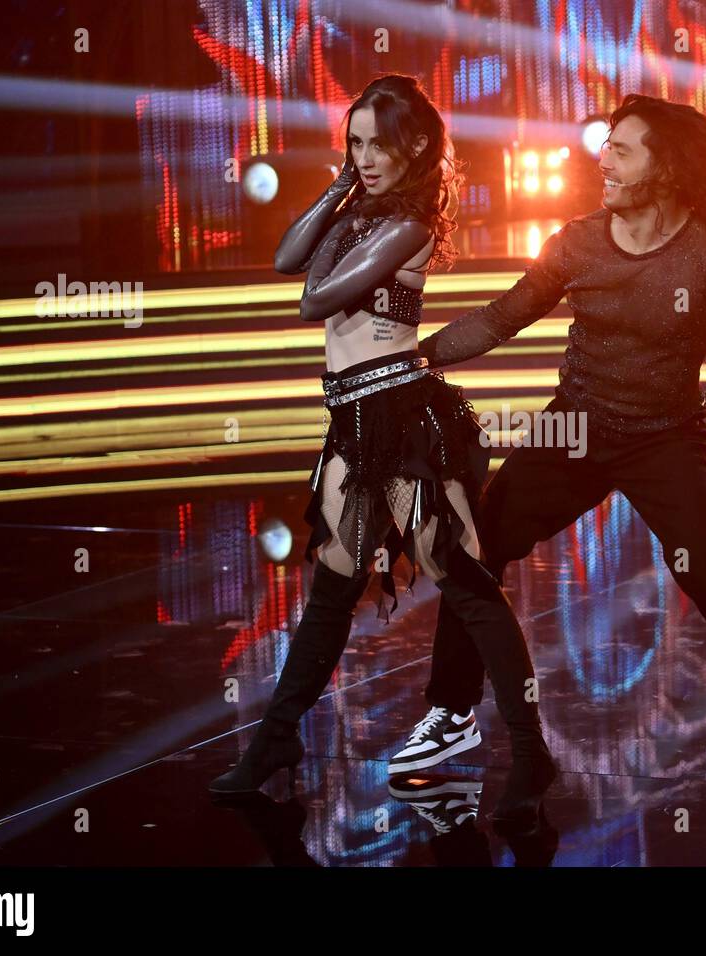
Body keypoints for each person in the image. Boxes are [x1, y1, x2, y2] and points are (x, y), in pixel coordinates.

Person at [390, 93, 706, 796]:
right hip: (577, 430)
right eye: (607, 145)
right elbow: (502, 319)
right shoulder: (577, 243)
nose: (604, 157)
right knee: (477, 547)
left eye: (622, 149)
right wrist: (412, 362)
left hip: (665, 444)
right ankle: (450, 713)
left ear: (666, 169)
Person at [210, 74, 557, 829]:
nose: (365, 156)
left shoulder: (410, 224)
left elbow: (313, 299)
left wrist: (345, 208)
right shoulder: (360, 209)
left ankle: (532, 751)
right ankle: (273, 744)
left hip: (403, 421)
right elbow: (283, 260)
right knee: (333, 590)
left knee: (462, 582)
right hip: (354, 422)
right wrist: (339, 184)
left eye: (378, 144)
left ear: (419, 146)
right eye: (354, 142)